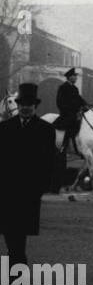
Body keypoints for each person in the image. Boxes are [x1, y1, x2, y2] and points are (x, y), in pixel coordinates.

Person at [0, 83, 56, 264]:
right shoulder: (4, 128)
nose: (25, 107)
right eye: (22, 104)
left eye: (29, 104)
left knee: (20, 233)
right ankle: (17, 264)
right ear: (18, 105)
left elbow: (49, 162)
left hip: (29, 191)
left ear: (35, 106)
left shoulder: (46, 130)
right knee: (10, 231)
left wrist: (40, 188)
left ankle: (17, 265)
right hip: (6, 189)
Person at [54, 68, 88, 154]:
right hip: (66, 114)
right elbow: (59, 102)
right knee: (70, 124)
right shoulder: (63, 87)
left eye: (76, 76)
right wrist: (68, 110)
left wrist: (86, 105)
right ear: (69, 77)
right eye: (74, 76)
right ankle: (64, 146)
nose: (76, 78)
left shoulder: (75, 88)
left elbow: (79, 99)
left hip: (74, 113)